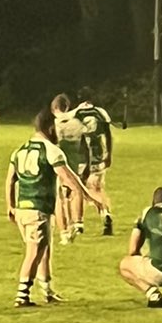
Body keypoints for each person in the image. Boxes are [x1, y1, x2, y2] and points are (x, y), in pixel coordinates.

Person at [5, 109, 100, 308]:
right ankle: (22, 296)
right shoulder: (51, 150)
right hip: (37, 209)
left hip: (23, 208)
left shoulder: (20, 150)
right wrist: (89, 196)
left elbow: (10, 180)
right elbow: (68, 177)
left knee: (44, 251)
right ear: (49, 128)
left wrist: (10, 206)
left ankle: (47, 292)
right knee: (34, 252)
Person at [71, 89, 116, 235]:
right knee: (97, 188)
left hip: (80, 156)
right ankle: (106, 213)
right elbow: (108, 134)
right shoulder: (100, 112)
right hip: (98, 154)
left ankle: (78, 223)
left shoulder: (75, 114)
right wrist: (108, 154)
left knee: (77, 189)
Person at [50, 94, 89, 242]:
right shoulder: (78, 124)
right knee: (76, 191)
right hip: (77, 162)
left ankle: (64, 232)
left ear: (54, 108)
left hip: (60, 164)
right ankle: (78, 221)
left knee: (60, 198)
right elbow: (85, 146)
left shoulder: (55, 124)